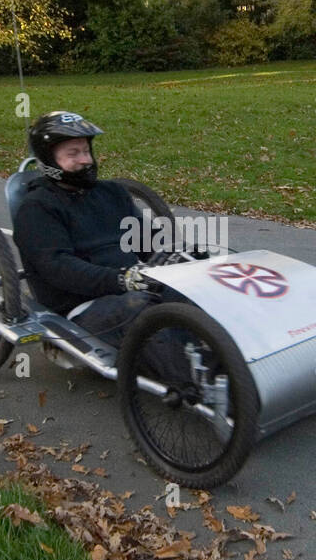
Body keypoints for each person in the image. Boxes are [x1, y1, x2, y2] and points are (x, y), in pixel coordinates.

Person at [12, 111, 194, 387]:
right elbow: (58, 267)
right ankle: (201, 388)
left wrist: (176, 257)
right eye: (73, 154)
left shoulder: (112, 193)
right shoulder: (38, 208)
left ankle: (236, 360)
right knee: (146, 313)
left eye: (86, 150)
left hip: (131, 285)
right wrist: (121, 279)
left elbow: (146, 241)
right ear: (49, 160)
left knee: (195, 291)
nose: (85, 160)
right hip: (83, 305)